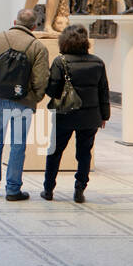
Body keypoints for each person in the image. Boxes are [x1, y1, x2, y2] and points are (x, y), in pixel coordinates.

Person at [0, 8, 50, 201]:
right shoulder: (38, 47)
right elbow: (41, 81)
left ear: (15, 22)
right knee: (18, 146)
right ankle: (13, 190)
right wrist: (33, 98)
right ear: (34, 26)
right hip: (23, 103)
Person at [42, 24, 110, 202]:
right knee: (84, 153)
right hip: (90, 116)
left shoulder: (60, 62)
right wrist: (105, 115)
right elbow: (104, 91)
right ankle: (80, 189)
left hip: (65, 114)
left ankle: (48, 189)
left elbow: (53, 91)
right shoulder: (97, 62)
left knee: (55, 151)